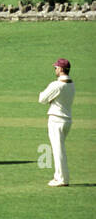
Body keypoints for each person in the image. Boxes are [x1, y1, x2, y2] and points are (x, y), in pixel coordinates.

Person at [39, 58, 74, 187]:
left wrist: (50, 98)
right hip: (67, 120)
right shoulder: (71, 84)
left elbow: (42, 99)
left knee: (58, 150)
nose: (55, 70)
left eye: (56, 68)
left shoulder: (56, 84)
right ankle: (58, 176)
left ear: (60, 69)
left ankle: (62, 179)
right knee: (59, 149)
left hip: (56, 120)